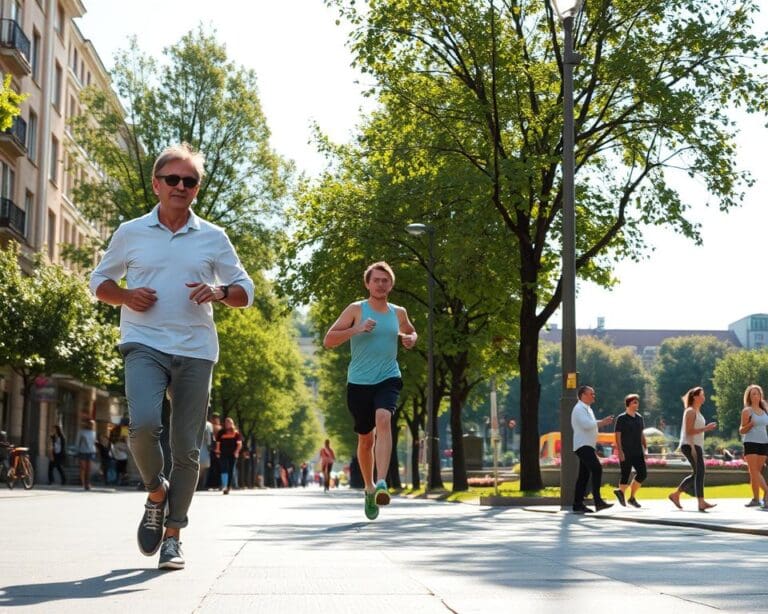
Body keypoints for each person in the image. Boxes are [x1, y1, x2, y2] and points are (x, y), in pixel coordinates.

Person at [89, 143, 254, 570]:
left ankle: (174, 536)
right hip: (143, 342)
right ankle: (156, 493)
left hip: (196, 350)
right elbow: (100, 282)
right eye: (173, 179)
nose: (181, 186)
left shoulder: (213, 238)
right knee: (142, 425)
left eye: (190, 181)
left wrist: (218, 291)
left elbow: (244, 291)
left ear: (196, 189)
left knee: (187, 449)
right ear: (157, 184)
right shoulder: (131, 231)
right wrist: (125, 295)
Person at [323, 261, 417, 520]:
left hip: (388, 377)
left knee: (384, 419)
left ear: (391, 284)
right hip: (359, 383)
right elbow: (329, 340)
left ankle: (383, 482)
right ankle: (369, 488)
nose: (380, 284)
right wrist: (357, 328)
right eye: (376, 280)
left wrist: (411, 339)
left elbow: (410, 330)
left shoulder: (398, 312)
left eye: (385, 280)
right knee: (365, 440)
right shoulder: (356, 309)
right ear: (367, 283)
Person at [668, 386, 718, 512]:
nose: (704, 397)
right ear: (695, 397)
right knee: (699, 472)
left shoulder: (697, 411)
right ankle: (701, 502)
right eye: (702, 394)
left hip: (696, 445)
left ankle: (676, 495)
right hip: (690, 445)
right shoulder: (690, 411)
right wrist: (693, 447)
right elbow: (688, 431)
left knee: (698, 473)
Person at [571, 385, 614, 513]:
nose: (593, 396)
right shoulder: (579, 408)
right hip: (582, 445)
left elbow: (591, 424)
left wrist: (602, 422)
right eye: (591, 394)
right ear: (583, 395)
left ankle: (577, 504)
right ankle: (598, 501)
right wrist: (602, 422)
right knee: (596, 468)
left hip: (587, 445)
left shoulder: (587, 409)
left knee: (583, 475)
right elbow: (586, 425)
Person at [612, 394, 647, 508]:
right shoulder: (621, 418)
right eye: (634, 402)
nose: (637, 404)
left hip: (638, 451)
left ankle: (630, 497)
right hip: (626, 451)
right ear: (628, 404)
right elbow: (617, 435)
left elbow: (641, 434)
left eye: (637, 402)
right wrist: (620, 451)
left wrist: (645, 448)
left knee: (642, 474)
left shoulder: (639, 418)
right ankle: (621, 493)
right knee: (625, 474)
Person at [738, 384, 768, 508]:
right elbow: (741, 430)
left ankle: (756, 499)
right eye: (753, 394)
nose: (756, 396)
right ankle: (767, 492)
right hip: (751, 443)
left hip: (764, 443)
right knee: (754, 471)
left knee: (755, 473)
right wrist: (750, 424)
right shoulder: (747, 411)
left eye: (757, 393)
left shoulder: (765, 409)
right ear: (749, 397)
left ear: (761, 395)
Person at [214, 417, 242, 495]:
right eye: (226, 422)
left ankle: (228, 487)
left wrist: (236, 452)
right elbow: (218, 443)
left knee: (231, 470)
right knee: (224, 468)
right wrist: (217, 451)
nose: (227, 424)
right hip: (223, 453)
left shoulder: (236, 433)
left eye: (229, 422)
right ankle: (224, 485)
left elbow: (239, 444)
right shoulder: (221, 432)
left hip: (232, 454)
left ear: (232, 423)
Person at [76, 419, 97, 491]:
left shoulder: (93, 433)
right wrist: (77, 450)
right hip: (82, 451)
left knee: (88, 469)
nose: (92, 425)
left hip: (91, 452)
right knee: (83, 468)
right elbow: (77, 442)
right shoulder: (81, 432)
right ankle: (83, 482)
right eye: (91, 424)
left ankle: (87, 484)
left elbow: (93, 442)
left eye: (93, 424)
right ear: (87, 424)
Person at [197, 417, 213, 491]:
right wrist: (209, 446)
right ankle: (201, 485)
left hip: (196, 446)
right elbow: (209, 438)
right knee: (203, 468)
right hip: (204, 447)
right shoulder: (208, 424)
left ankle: (197, 485)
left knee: (198, 467)